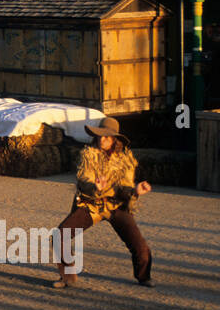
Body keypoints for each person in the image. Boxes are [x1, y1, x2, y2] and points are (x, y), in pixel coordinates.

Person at [53, 117, 154, 289]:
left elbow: (125, 188)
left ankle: (144, 277)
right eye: (100, 136)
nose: (102, 139)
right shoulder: (88, 155)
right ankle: (68, 277)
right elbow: (83, 180)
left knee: (139, 246)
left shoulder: (125, 161)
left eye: (107, 137)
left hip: (116, 206)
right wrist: (95, 187)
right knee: (59, 236)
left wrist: (135, 191)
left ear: (115, 139)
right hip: (91, 205)